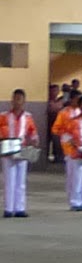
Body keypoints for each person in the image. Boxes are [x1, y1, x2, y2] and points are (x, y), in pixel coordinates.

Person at [1, 90, 39, 218]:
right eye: (15, 99)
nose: (17, 102)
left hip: (22, 151)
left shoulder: (28, 117)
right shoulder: (4, 116)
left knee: (21, 180)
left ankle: (20, 208)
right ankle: (8, 208)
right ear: (11, 100)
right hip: (8, 150)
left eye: (20, 99)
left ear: (24, 102)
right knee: (9, 179)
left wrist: (34, 139)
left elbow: (32, 131)